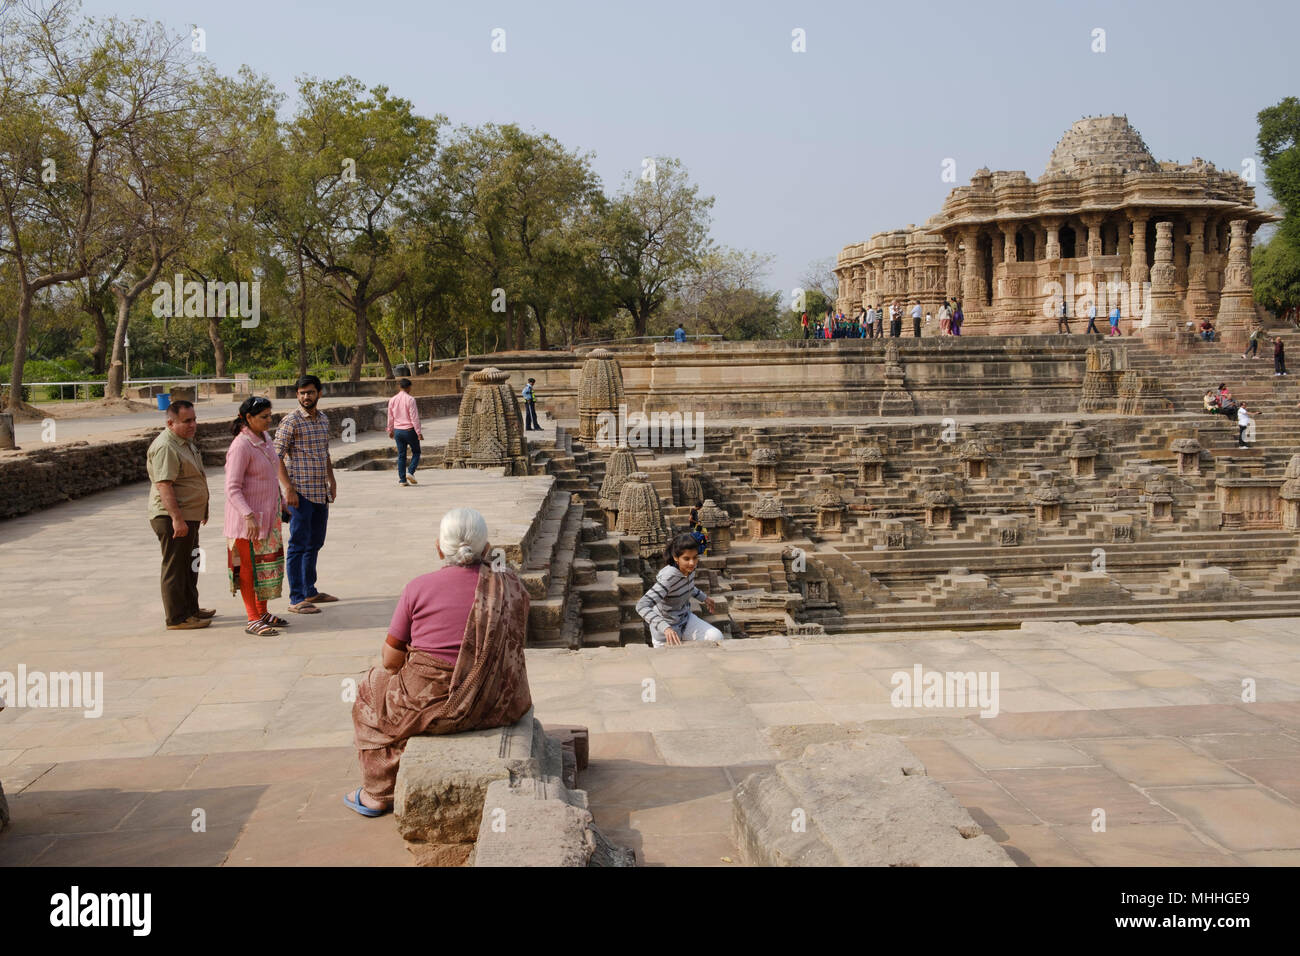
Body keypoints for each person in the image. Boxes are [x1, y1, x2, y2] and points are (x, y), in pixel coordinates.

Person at [345, 508, 533, 816]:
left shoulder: (418, 587)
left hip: (431, 707)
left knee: (370, 689)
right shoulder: (509, 587)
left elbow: (390, 661)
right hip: (497, 704)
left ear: (438, 547)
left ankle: (376, 792)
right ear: (486, 549)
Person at [146, 400, 214, 630]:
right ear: (170, 422)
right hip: (172, 517)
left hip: (189, 515)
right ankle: (177, 617)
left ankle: (191, 609)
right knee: (176, 567)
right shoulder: (166, 446)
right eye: (187, 421)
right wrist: (177, 518)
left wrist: (202, 509)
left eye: (194, 419)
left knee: (192, 563)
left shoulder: (184, 442)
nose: (193, 425)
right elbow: (164, 485)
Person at [274, 375, 338, 614]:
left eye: (310, 392)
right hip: (299, 492)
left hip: (319, 491)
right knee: (298, 545)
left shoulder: (323, 420)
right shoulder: (290, 422)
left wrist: (331, 479)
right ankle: (296, 597)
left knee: (315, 542)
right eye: (301, 393)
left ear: (319, 393)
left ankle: (310, 589)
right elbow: (276, 456)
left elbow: (325, 452)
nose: (306, 397)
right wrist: (287, 488)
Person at [224, 396, 288, 636]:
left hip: (268, 518)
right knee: (249, 569)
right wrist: (248, 515)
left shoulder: (265, 439)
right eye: (264, 417)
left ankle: (262, 611)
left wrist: (281, 501)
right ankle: (252, 617)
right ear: (248, 418)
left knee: (267, 566)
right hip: (247, 523)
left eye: (270, 416)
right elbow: (232, 487)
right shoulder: (241, 446)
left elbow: (272, 474)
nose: (269, 421)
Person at [636, 532, 724, 647]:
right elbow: (641, 606)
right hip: (666, 631)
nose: (692, 563)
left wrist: (704, 598)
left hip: (685, 620)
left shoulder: (690, 569)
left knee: (716, 637)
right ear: (676, 557)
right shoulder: (668, 578)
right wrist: (665, 628)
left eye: (695, 557)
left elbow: (687, 585)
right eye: (686, 558)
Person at [388, 378, 426, 482]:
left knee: (401, 455)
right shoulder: (410, 399)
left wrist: (390, 430)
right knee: (416, 452)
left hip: (398, 431)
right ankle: (410, 472)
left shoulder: (392, 400)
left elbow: (390, 417)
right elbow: (414, 417)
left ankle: (402, 479)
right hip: (409, 430)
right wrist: (418, 432)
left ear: (399, 387)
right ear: (409, 387)